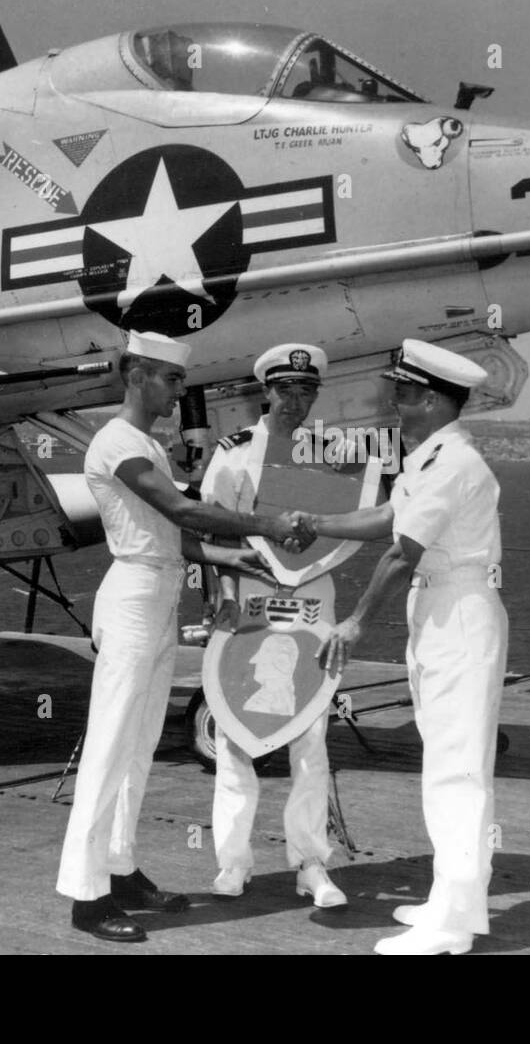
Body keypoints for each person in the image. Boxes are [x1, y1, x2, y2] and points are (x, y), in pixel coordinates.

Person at [56, 331, 311, 942]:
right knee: (110, 744)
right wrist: (267, 524)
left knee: (139, 743)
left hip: (159, 588)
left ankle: (119, 867)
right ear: (138, 375)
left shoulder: (147, 443)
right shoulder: (118, 441)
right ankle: (86, 896)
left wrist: (235, 557)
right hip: (134, 596)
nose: (178, 394)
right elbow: (180, 511)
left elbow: (176, 535)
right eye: (171, 381)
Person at [303, 339, 507, 955]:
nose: (394, 399)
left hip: (460, 614)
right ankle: (450, 903)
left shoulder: (453, 463)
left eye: (403, 390)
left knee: (459, 773)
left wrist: (357, 622)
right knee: (446, 765)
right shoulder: (428, 457)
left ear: (432, 399)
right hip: (441, 612)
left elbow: (401, 551)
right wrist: (313, 524)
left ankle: (454, 926)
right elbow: (389, 517)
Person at [200, 343, 347, 910]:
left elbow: (344, 527)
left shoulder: (332, 454)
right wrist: (227, 596)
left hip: (312, 601)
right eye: (286, 389)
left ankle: (312, 864)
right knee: (237, 730)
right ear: (266, 391)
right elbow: (216, 531)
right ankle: (233, 862)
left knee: (311, 735)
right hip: (253, 598)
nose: (296, 400)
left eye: (307, 391)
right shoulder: (235, 452)